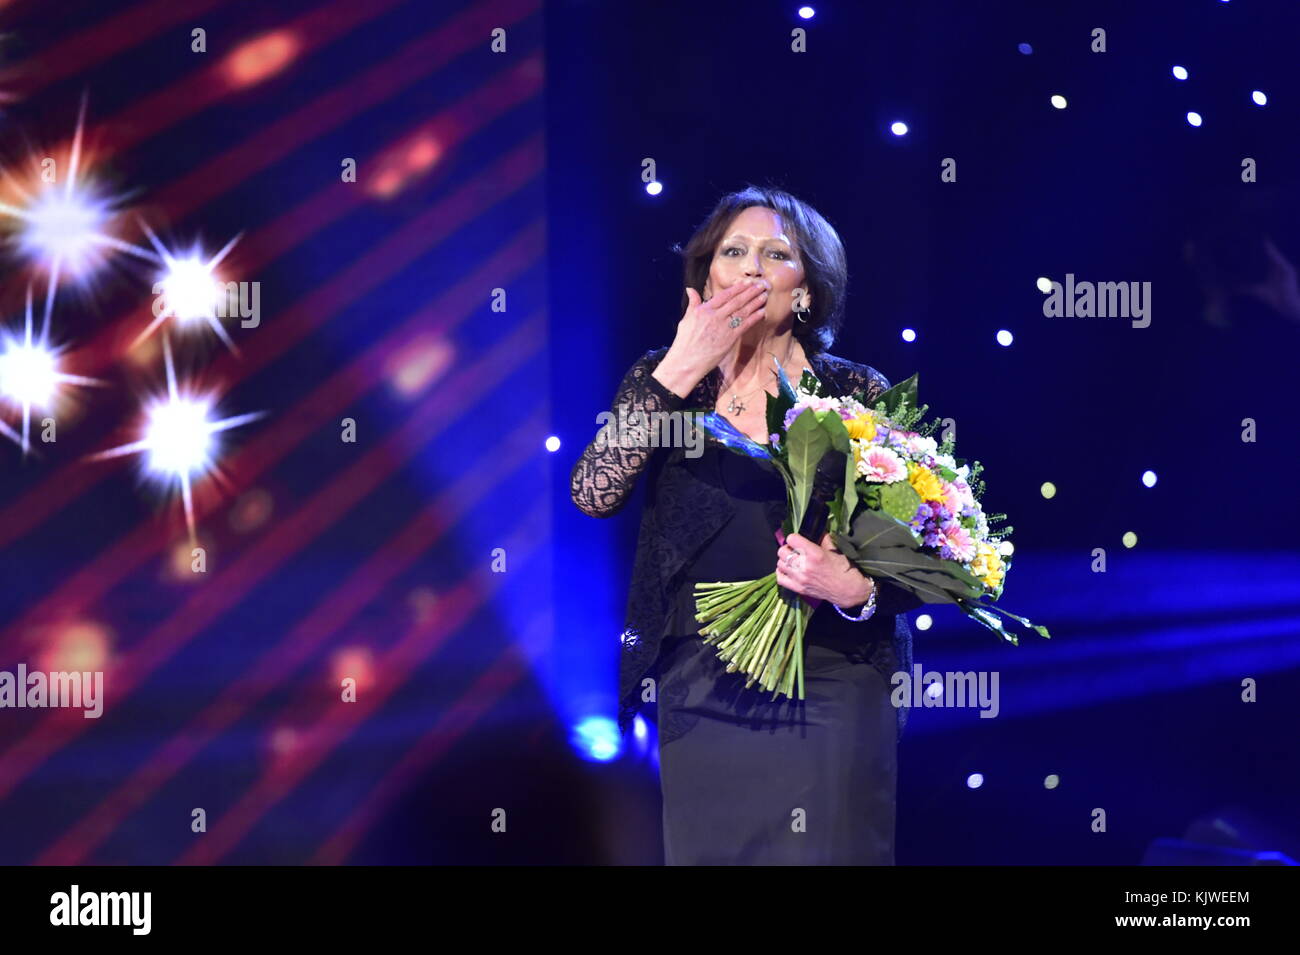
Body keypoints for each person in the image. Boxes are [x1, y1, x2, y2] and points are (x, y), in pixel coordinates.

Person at [570, 186, 923, 865]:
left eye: (776, 254)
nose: (752, 267)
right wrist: (682, 363)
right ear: (706, 280)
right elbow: (593, 491)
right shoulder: (665, 382)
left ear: (808, 292)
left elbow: (921, 542)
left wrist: (856, 588)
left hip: (831, 677)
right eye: (734, 252)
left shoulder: (857, 392)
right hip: (699, 683)